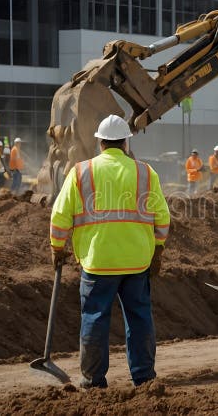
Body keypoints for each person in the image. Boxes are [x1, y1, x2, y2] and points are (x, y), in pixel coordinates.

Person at [50, 114, 170, 389]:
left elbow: (60, 216)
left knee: (95, 318)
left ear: (100, 143)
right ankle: (144, 378)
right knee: (140, 319)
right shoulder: (145, 173)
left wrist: (57, 248)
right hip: (137, 262)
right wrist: (158, 249)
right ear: (126, 143)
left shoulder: (80, 172)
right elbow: (162, 218)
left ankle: (93, 380)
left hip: (97, 262)